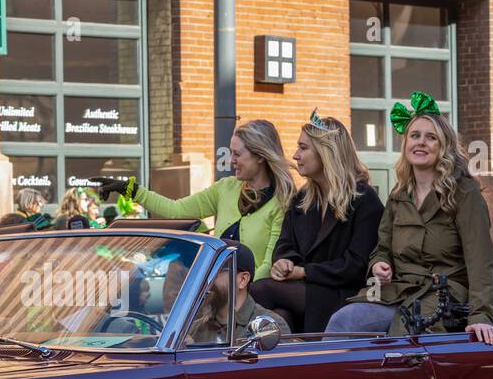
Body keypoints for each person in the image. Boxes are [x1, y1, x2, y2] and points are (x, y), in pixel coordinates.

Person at [325, 92, 493, 343]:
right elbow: (381, 248)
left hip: (443, 294)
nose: (421, 143)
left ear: (444, 147)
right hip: (399, 290)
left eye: (431, 138)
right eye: (415, 136)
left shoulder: (464, 192)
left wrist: (481, 315)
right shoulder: (398, 195)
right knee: (344, 320)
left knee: (403, 334)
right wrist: (379, 266)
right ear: (405, 144)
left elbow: (480, 260)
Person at [95, 119, 294, 280]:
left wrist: (238, 291)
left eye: (237, 154)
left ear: (260, 156)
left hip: (249, 299)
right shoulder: (226, 188)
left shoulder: (281, 203)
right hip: (214, 286)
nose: (231, 160)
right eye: (231, 152)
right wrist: (128, 189)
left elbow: (268, 266)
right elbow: (175, 210)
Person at [249, 110, 383, 332]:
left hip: (345, 294)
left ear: (326, 153)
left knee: (260, 290)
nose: (295, 155)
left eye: (303, 148)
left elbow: (357, 265)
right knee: (281, 317)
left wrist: (305, 272)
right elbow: (284, 245)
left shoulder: (364, 199)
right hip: (306, 290)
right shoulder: (301, 199)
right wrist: (285, 263)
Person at [187, 243, 292, 345]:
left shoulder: (269, 327)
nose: (206, 279)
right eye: (204, 272)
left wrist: (192, 353)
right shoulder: (195, 327)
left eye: (215, 271)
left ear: (242, 280)